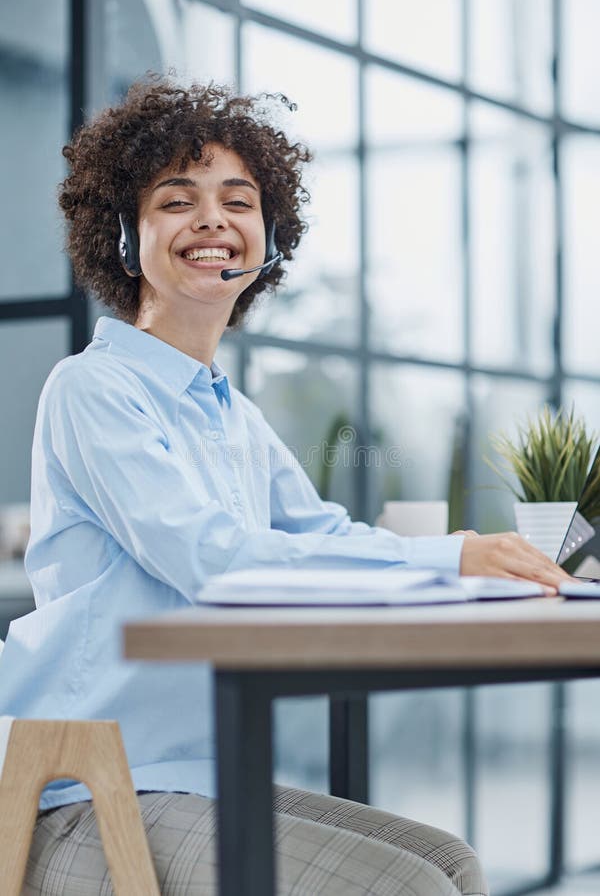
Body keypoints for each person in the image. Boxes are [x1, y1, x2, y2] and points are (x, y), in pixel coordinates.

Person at [1, 76, 569, 896]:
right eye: (175, 200)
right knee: (408, 888)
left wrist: (469, 556)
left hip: (196, 773)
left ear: (266, 239)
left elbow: (322, 536)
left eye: (239, 200)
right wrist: (448, 560)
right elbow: (213, 559)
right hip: (90, 786)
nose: (213, 221)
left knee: (452, 864)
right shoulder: (94, 390)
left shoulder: (232, 416)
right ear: (123, 236)